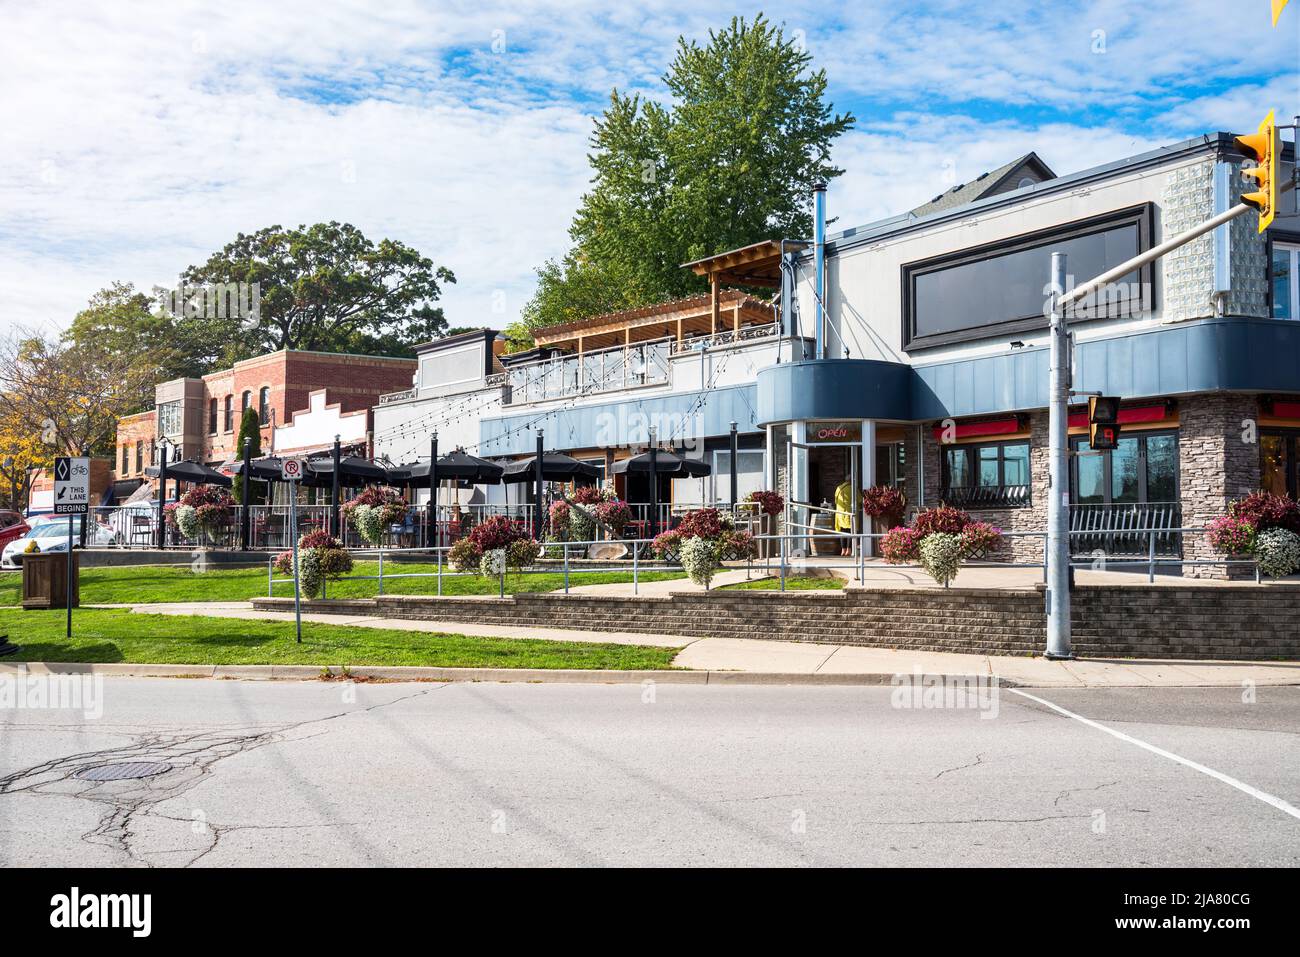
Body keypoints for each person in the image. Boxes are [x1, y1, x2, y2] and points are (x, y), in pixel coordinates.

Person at [834, 478, 857, 557]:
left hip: (840, 514)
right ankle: (849, 550)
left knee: (843, 532)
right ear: (851, 481)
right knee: (850, 531)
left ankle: (843, 550)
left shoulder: (838, 488)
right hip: (848, 514)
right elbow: (860, 499)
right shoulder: (853, 488)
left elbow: (836, 501)